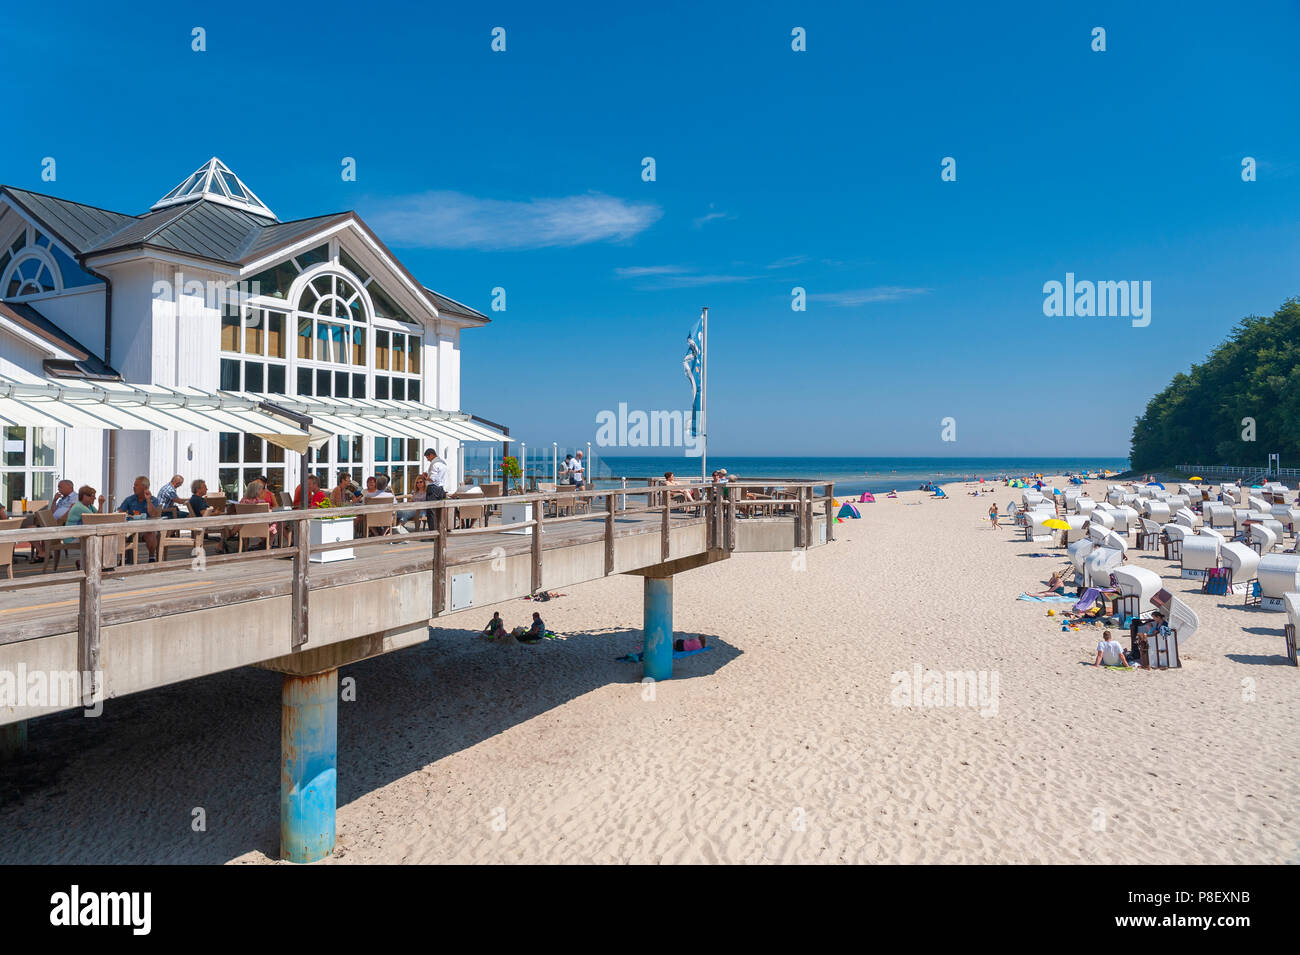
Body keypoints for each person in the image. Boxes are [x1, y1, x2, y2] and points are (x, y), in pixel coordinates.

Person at [118, 475, 162, 559]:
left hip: (147, 528)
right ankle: (124, 559)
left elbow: (153, 515)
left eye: (136, 485)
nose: (133, 487)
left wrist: (148, 500)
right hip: (131, 528)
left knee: (150, 533)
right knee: (121, 534)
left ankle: (151, 558)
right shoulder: (129, 499)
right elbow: (120, 513)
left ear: (145, 487)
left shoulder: (153, 500)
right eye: (134, 485)